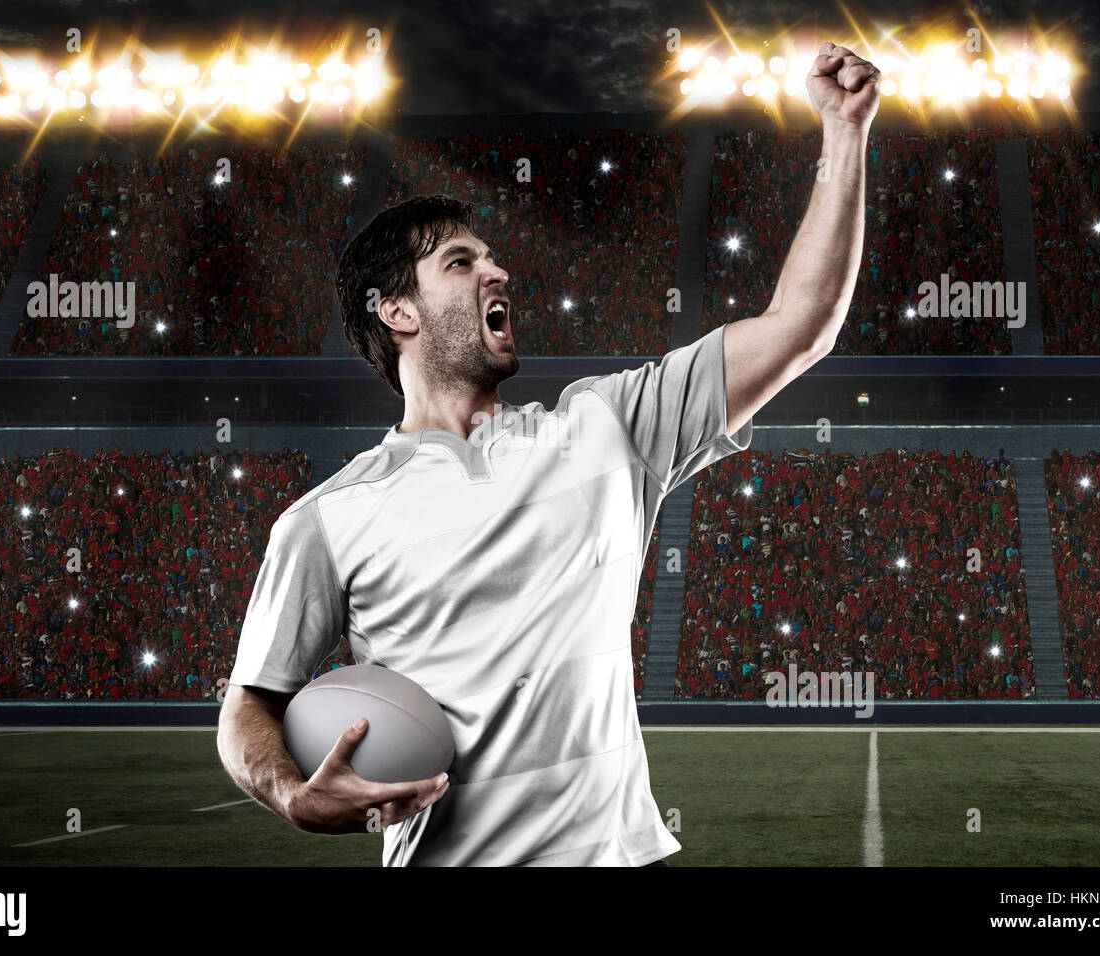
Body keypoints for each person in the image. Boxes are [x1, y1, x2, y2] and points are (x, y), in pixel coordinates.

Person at [217, 42, 881, 866]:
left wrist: (844, 132)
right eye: (461, 263)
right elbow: (249, 705)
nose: (498, 272)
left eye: (493, 257)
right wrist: (288, 792)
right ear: (397, 313)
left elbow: (798, 326)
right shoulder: (325, 520)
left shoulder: (608, 426)